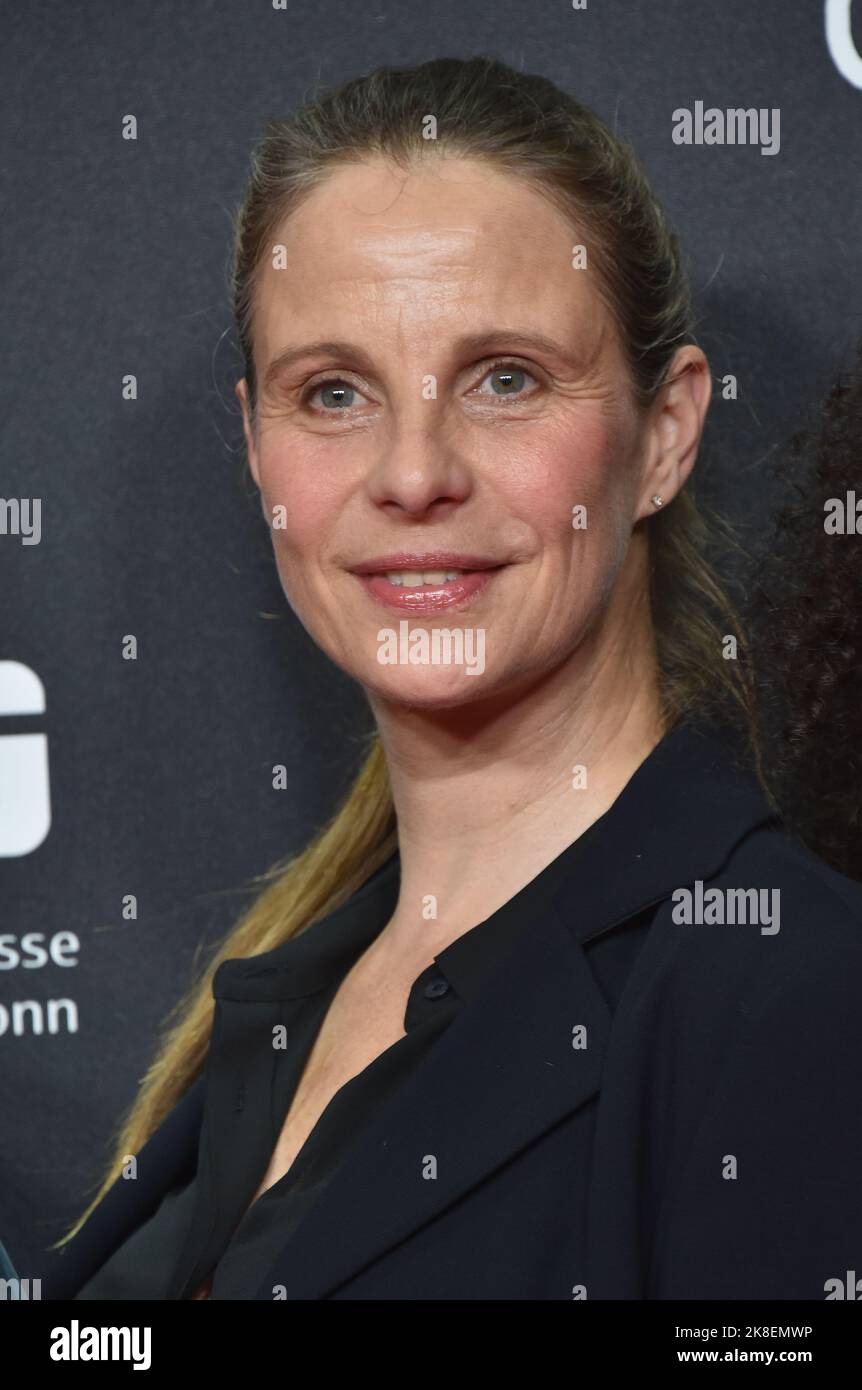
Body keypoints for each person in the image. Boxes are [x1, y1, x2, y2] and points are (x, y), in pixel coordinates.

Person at [40, 56, 862, 1301]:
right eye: (332, 391)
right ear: (257, 444)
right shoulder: (288, 993)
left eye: (505, 379)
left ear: (665, 434)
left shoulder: (791, 1004)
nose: (413, 472)